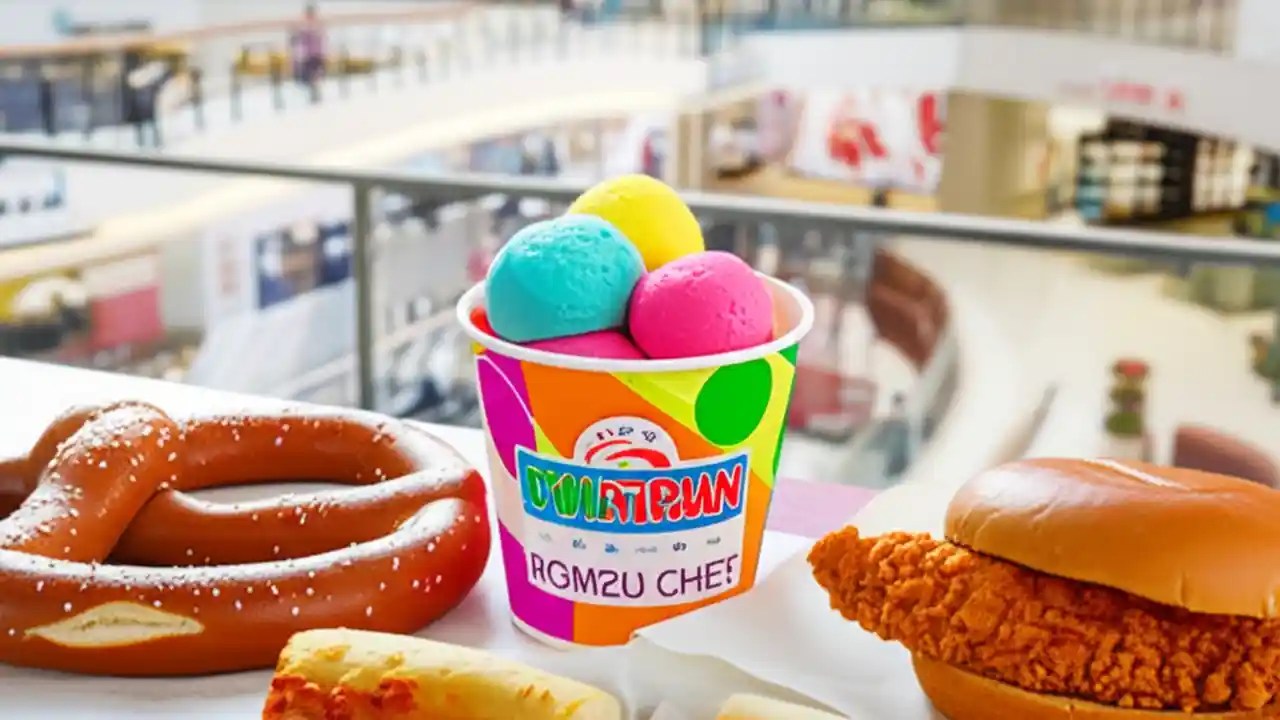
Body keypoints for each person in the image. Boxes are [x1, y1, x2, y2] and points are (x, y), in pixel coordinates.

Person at [291, 3, 327, 104]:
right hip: (308, 56)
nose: (310, 16)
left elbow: (321, 40)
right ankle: (314, 95)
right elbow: (297, 40)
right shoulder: (303, 26)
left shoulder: (317, 26)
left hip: (315, 55)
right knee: (310, 77)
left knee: (315, 75)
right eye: (309, 13)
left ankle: (315, 95)